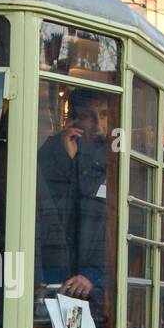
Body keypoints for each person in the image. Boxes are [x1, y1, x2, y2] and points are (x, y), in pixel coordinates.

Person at [36, 92, 108, 304]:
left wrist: (95, 276)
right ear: (74, 121)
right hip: (51, 270)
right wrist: (65, 159)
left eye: (103, 115)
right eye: (89, 116)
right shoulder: (53, 153)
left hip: (94, 280)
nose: (98, 124)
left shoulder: (114, 157)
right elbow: (47, 210)